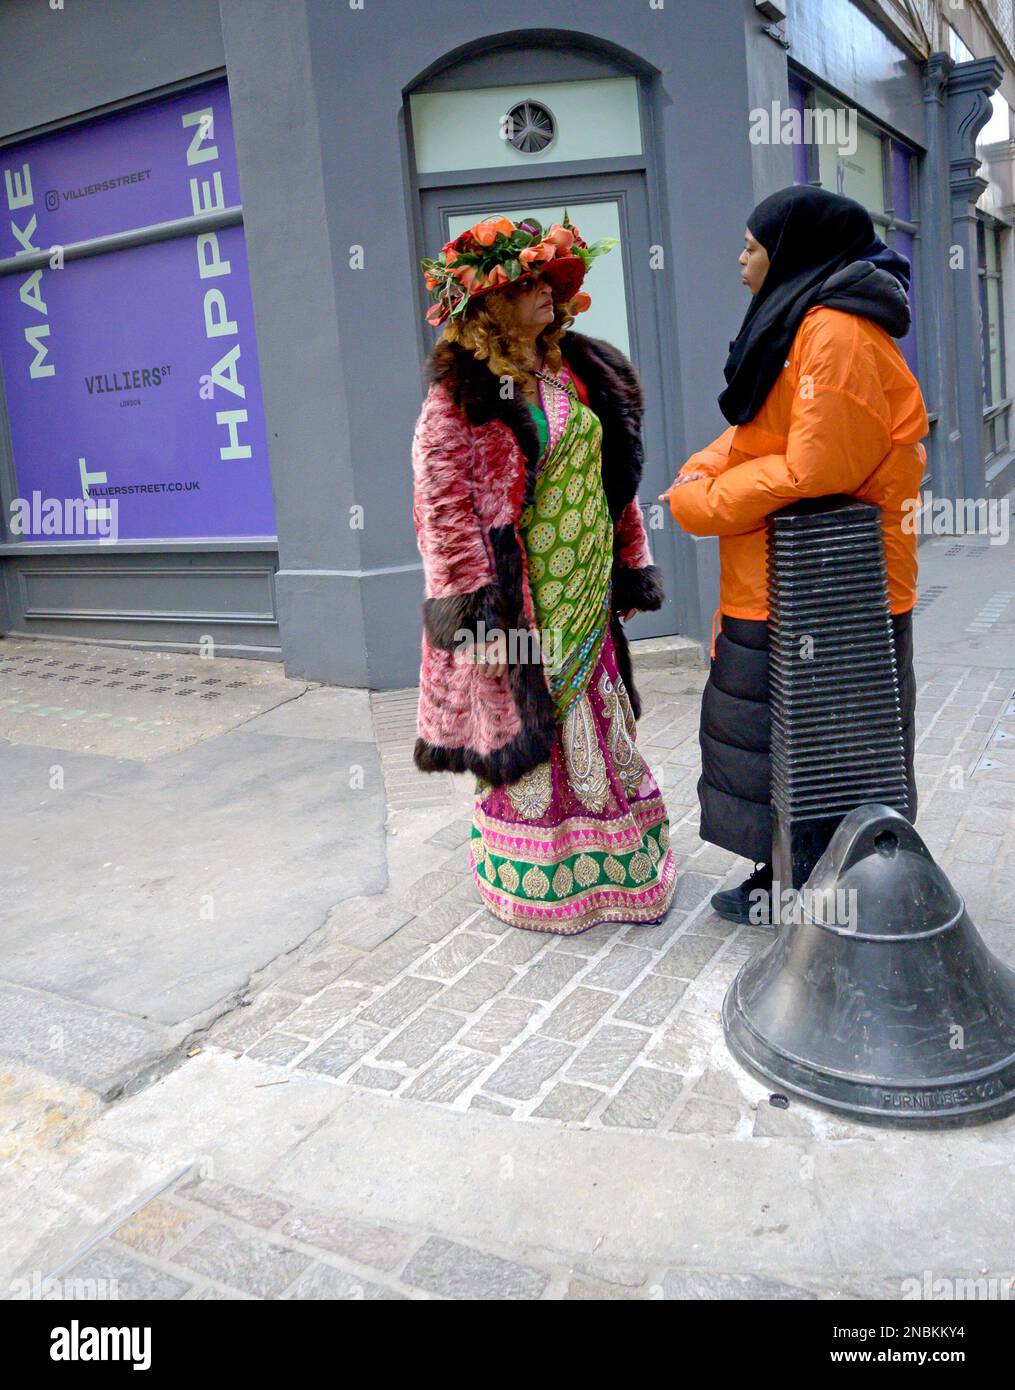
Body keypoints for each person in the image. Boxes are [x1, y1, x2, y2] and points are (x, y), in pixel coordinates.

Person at [661, 186, 928, 925]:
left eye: (751, 246)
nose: (739, 260)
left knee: (825, 743)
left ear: (791, 251)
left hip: (831, 589)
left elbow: (819, 468)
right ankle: (778, 869)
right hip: (782, 579)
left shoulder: (834, 333)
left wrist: (700, 500)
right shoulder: (801, 322)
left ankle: (828, 882)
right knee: (761, 736)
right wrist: (700, 471)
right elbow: (759, 431)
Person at [412, 212, 677, 933]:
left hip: (587, 586)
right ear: (489, 304)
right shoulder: (459, 398)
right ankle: (544, 885)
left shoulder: (579, 370)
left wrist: (628, 569)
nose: (545, 296)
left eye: (548, 282)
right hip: (525, 601)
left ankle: (619, 869)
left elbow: (611, 482)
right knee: (534, 726)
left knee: (599, 718)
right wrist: (476, 621)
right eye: (527, 285)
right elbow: (443, 514)